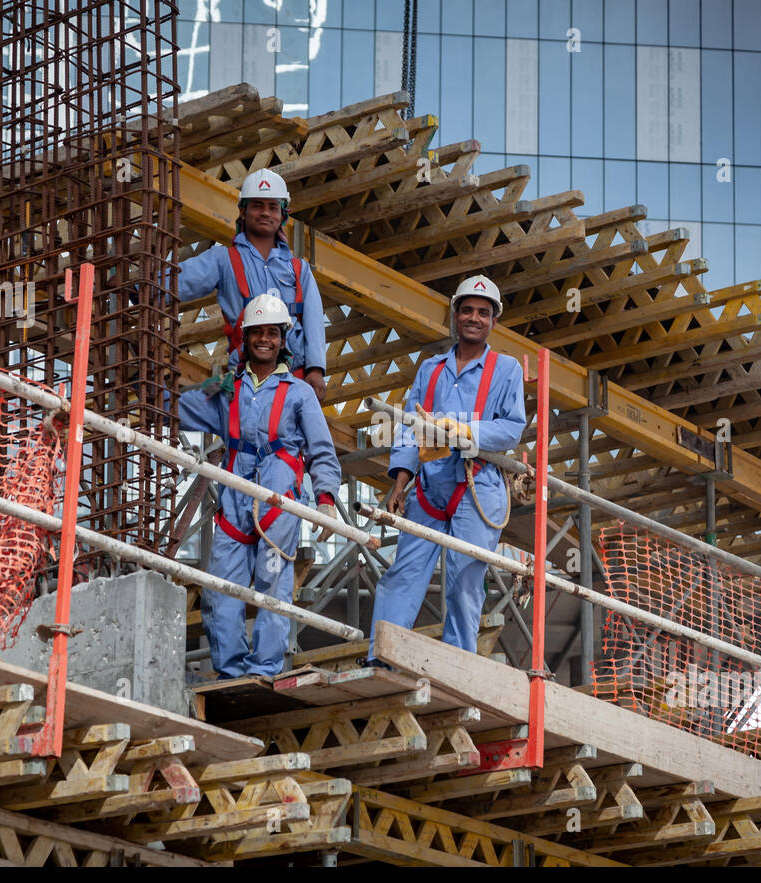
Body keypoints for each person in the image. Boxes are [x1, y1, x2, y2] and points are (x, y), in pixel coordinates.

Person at [365, 276, 526, 665]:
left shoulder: (505, 370)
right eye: (467, 310)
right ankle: (382, 655)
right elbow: (408, 427)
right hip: (430, 485)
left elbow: (511, 427)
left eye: (483, 313)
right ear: (455, 315)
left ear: (493, 322)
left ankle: (459, 666)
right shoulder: (430, 369)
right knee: (404, 572)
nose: (474, 318)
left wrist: (467, 432)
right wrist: (400, 482)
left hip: (478, 485)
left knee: (465, 582)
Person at [179, 293, 341, 679]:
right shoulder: (225, 389)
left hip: (278, 501)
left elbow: (321, 449)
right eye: (257, 332)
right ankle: (231, 671)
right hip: (235, 501)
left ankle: (265, 669)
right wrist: (142, 393)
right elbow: (178, 407)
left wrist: (326, 500)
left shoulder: (299, 393)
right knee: (220, 591)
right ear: (245, 338)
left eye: (272, 332)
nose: (264, 339)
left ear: (283, 340)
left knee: (273, 587)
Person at [180, 168, 328, 402]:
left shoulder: (299, 269)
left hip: (294, 379)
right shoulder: (224, 260)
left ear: (283, 214)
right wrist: (136, 285)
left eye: (272, 207)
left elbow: (314, 323)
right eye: (257, 205)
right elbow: (179, 280)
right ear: (243, 211)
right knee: (206, 404)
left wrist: (316, 370)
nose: (265, 213)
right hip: (247, 378)